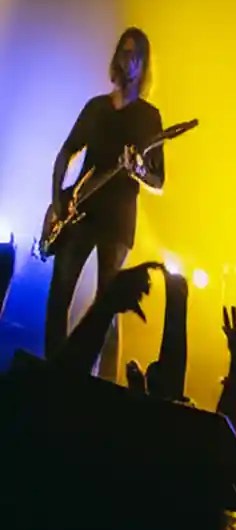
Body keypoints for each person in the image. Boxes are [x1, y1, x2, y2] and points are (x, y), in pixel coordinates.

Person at [45, 27, 165, 382]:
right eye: (125, 53)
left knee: (108, 305)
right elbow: (66, 151)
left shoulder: (149, 117)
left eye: (137, 56)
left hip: (118, 220)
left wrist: (139, 169)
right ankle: (53, 375)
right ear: (117, 58)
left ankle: (104, 386)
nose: (130, 61)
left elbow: (159, 181)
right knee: (59, 293)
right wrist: (57, 201)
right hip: (81, 212)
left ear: (144, 67)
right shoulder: (96, 108)